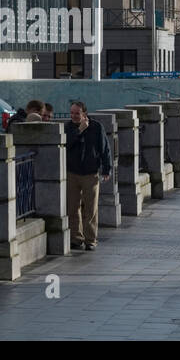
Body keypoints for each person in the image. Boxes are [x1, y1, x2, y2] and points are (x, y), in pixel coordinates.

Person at [65, 101, 112, 251]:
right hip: (72, 172)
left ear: (84, 114)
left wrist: (106, 169)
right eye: (72, 113)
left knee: (91, 209)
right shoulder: (67, 127)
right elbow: (67, 145)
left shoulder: (97, 127)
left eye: (77, 113)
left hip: (90, 173)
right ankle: (76, 238)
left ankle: (90, 240)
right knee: (73, 208)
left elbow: (105, 148)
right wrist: (79, 130)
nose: (73, 116)